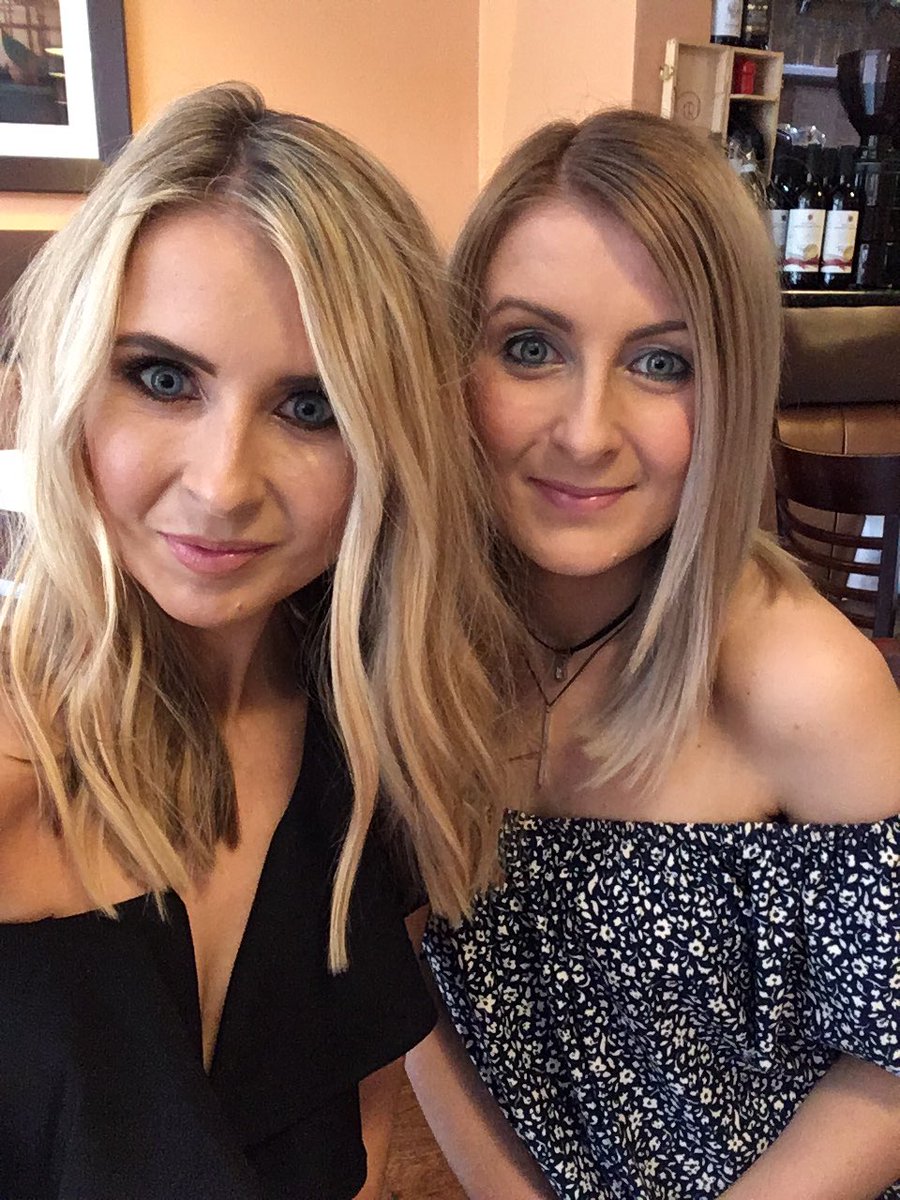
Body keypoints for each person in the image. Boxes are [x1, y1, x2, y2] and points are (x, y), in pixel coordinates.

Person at [0, 82, 512, 1200]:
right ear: (68, 384)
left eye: (309, 408)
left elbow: (357, 1140)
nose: (224, 484)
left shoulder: (378, 752)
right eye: (163, 379)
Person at [409, 109, 900, 1200]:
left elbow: (892, 1066)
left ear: (732, 389)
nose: (587, 431)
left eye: (662, 362)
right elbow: (406, 997)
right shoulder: (404, 659)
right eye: (530, 348)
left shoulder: (806, 684)